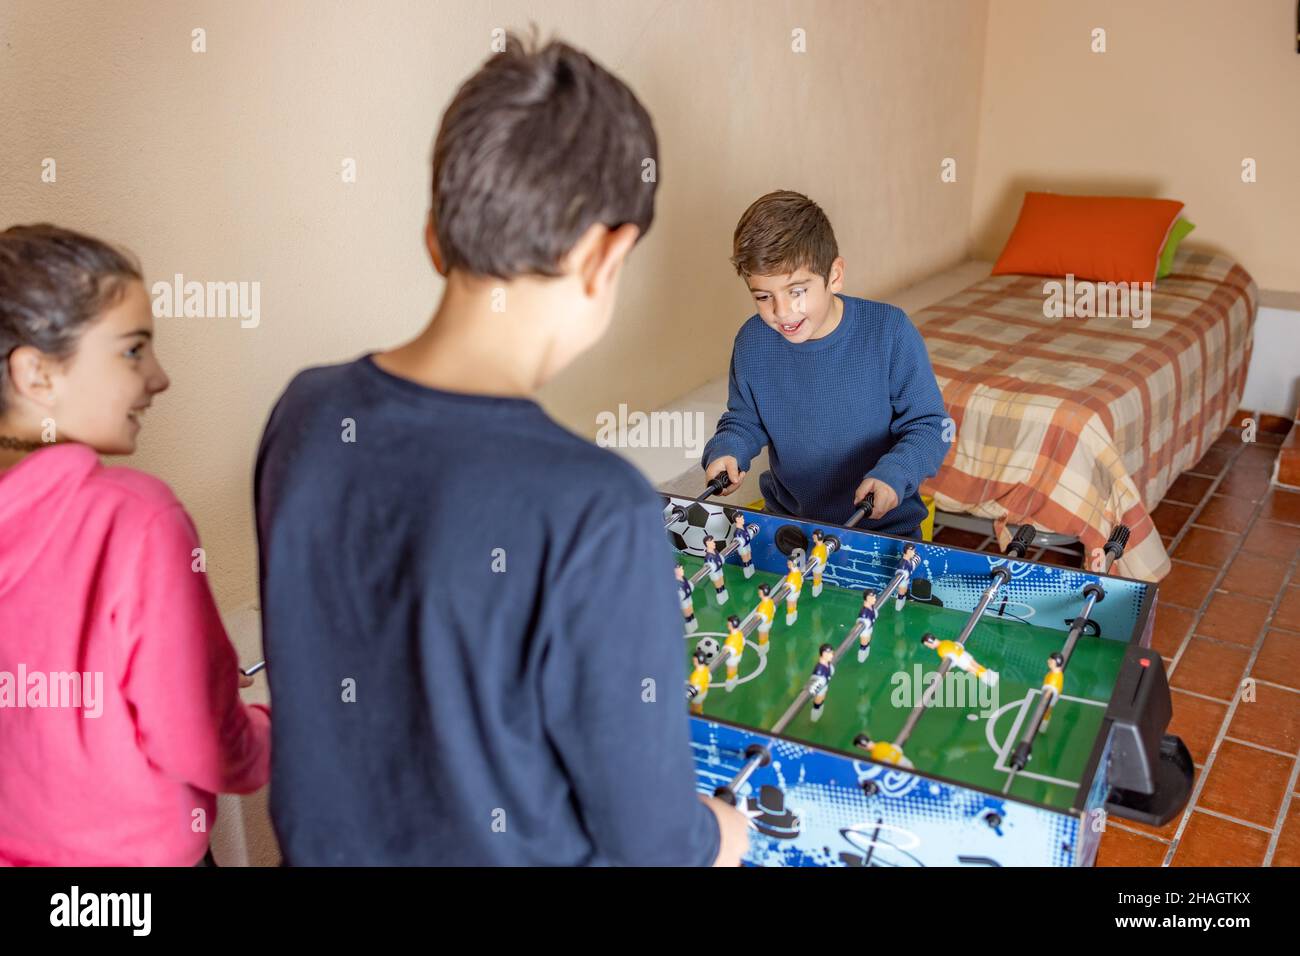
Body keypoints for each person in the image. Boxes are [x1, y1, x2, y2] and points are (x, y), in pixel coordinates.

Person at [255, 34, 747, 866]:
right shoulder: (597, 506)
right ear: (604, 255)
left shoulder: (303, 412)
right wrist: (720, 836)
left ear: (434, 238)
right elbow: (655, 847)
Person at [0, 224, 270, 865]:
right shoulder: (139, 517)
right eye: (133, 351)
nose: (160, 378)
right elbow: (202, 741)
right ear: (38, 374)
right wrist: (276, 726)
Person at [701, 190, 950, 537]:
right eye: (763, 297)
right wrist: (728, 450)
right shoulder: (752, 342)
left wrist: (896, 472)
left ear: (834, 275)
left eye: (797, 291)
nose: (782, 311)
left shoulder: (888, 332)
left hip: (883, 531)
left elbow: (930, 425)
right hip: (790, 528)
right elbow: (744, 419)